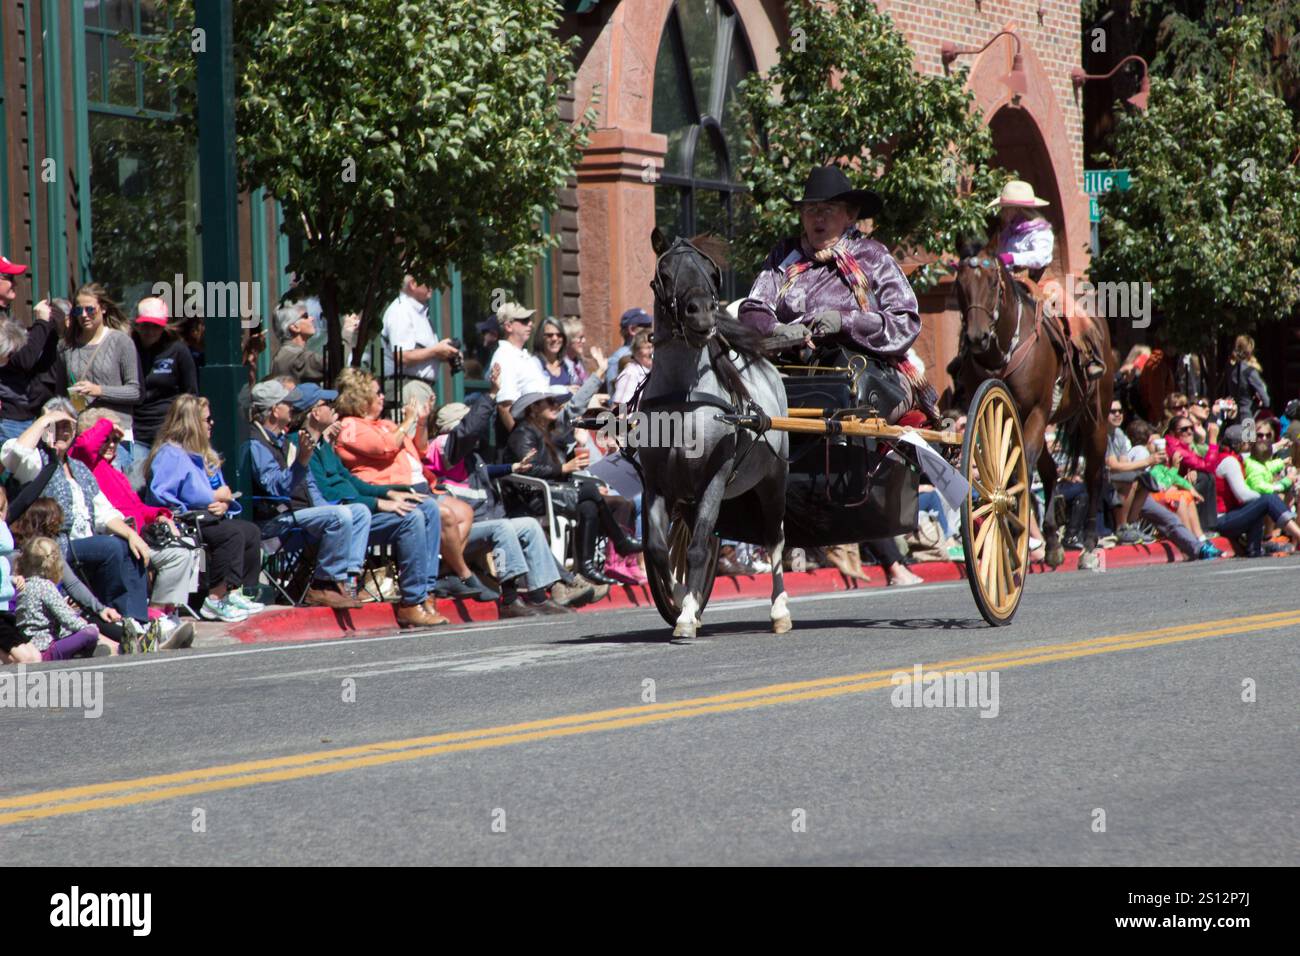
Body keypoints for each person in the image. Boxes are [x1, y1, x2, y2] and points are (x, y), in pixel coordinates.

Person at [739, 165, 936, 424]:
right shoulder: (784, 256)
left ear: (850, 214)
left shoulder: (873, 256)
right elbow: (752, 308)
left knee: (848, 393)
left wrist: (845, 322)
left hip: (863, 372)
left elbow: (906, 321)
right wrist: (777, 330)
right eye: (811, 210)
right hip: (788, 370)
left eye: (827, 209)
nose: (817, 218)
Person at [428, 369, 594, 616]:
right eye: (468, 422)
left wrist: (512, 467)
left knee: (528, 525)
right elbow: (469, 431)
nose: (478, 430)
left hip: (480, 523)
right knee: (503, 528)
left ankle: (539, 595)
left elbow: (484, 470)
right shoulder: (442, 447)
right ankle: (510, 597)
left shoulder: (469, 456)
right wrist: (492, 394)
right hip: (456, 532)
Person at [332, 368, 496, 602]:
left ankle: (443, 574)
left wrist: (420, 422)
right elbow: (384, 448)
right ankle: (458, 575)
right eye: (377, 393)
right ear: (360, 398)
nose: (382, 397)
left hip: (421, 487)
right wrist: (408, 419)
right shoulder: (350, 426)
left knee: (465, 512)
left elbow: (420, 450)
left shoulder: (386, 424)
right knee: (447, 516)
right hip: (390, 492)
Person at [294, 384, 450, 628]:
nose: (334, 409)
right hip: (346, 519)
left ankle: (426, 594)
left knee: (427, 507)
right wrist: (380, 503)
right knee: (411, 519)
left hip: (360, 511)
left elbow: (351, 482)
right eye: (327, 405)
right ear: (314, 413)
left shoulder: (324, 446)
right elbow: (329, 496)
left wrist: (392, 491)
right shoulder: (303, 447)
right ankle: (412, 602)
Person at [1, 398, 156, 631]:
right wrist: (45, 419)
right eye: (56, 425)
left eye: (68, 426)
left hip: (85, 543)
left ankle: (135, 621)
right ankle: (126, 619)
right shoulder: (35, 461)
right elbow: (13, 457)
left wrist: (132, 535)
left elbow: (104, 512)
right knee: (113, 547)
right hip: (52, 546)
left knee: (127, 544)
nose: (62, 431)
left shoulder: (79, 468)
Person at [71, 409, 200, 647]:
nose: (112, 444)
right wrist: (107, 424)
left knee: (187, 548)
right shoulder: (84, 461)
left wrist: (162, 516)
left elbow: (138, 508)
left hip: (139, 535)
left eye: (116, 440)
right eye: (107, 438)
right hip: (114, 536)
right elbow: (85, 446)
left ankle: (162, 611)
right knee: (145, 551)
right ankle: (153, 619)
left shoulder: (114, 471)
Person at [244, 379, 371, 611]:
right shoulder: (257, 444)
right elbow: (275, 488)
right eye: (287, 404)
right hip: (273, 521)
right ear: (274, 410)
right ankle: (323, 584)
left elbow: (310, 487)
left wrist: (323, 509)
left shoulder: (284, 442)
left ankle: (347, 581)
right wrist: (302, 461)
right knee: (339, 516)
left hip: (299, 513)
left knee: (359, 512)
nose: (292, 408)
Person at [146, 395, 270, 622]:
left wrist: (223, 503)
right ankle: (215, 599)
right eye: (207, 419)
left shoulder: (203, 453)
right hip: (183, 520)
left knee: (250, 531)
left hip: (208, 516)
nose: (212, 423)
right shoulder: (170, 453)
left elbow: (222, 491)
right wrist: (211, 497)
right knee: (229, 534)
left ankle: (235, 592)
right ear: (191, 422)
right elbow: (159, 494)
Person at [505, 391, 642, 586]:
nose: (556, 406)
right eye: (550, 402)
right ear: (533, 408)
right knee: (593, 493)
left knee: (590, 504)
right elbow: (526, 469)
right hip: (535, 497)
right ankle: (621, 542)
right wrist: (563, 468)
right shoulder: (523, 433)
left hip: (555, 491)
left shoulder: (547, 433)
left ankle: (586, 568)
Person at [991, 179, 1107, 382]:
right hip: (1010, 283)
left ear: (1018, 209)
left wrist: (1012, 258)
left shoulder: (1040, 230)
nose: (1003, 213)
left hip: (1038, 282)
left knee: (1070, 306)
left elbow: (1041, 257)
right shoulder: (1007, 233)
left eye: (1006, 208)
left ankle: (1089, 353)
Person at [60, 283, 143, 472]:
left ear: (103, 308)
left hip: (116, 434)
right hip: (81, 435)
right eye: (78, 310)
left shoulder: (121, 342)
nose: (83, 315)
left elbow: (135, 391)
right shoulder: (65, 347)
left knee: (117, 496)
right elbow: (60, 394)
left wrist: (98, 390)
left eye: (90, 309)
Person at [15, 536, 118, 659]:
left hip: (30, 648)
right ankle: (104, 648)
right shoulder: (45, 586)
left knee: (78, 631)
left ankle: (91, 650)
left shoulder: (24, 584)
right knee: (90, 633)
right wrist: (92, 629)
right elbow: (67, 619)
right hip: (47, 648)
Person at [1212, 424, 1300, 556]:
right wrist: (1275, 490)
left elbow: (1258, 453)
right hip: (1223, 519)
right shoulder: (1229, 462)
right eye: (1247, 441)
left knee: (1260, 503)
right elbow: (1243, 495)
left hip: (1232, 515)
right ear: (1239, 443)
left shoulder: (1235, 457)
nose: (1251, 443)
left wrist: (1279, 445)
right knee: (1265, 499)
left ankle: (1255, 549)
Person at [131, 296, 199, 466]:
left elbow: (190, 393)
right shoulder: (129, 347)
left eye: (156, 326)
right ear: (137, 325)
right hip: (137, 432)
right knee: (138, 483)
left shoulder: (178, 350)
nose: (150, 331)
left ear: (164, 326)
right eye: (145, 325)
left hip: (168, 432)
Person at [380, 275, 462, 408]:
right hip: (406, 388)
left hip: (420, 389)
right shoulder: (401, 310)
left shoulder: (420, 312)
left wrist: (446, 353)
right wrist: (436, 350)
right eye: (428, 281)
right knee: (414, 429)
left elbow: (425, 354)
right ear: (413, 284)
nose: (433, 286)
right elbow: (402, 356)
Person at [0, 290, 65, 444]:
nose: (15, 285)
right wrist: (42, 322)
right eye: (9, 278)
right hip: (11, 421)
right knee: (15, 465)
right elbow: (24, 359)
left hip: (29, 416)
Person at [488, 302, 553, 433]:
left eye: (529, 320)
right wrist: (520, 440)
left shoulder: (523, 355)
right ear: (508, 326)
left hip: (537, 433)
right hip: (521, 439)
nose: (530, 324)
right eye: (524, 320)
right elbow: (504, 406)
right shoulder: (504, 356)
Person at [270, 300, 359, 384]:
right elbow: (335, 365)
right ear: (294, 327)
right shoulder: (296, 357)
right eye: (305, 316)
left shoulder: (285, 354)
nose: (311, 318)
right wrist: (348, 331)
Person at [1220, 335, 1269, 424]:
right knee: (1248, 438)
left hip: (1234, 414)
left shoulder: (1230, 368)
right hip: (1248, 415)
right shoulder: (1249, 371)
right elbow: (1266, 400)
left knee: (1237, 437)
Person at [605, 308, 653, 393]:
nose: (651, 330)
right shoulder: (624, 366)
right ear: (632, 329)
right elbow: (618, 400)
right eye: (646, 326)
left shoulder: (650, 355)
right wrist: (625, 407)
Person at [533, 317, 580, 391]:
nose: (555, 339)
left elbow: (577, 391)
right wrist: (565, 389)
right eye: (549, 335)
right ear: (540, 338)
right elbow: (537, 392)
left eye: (559, 335)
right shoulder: (534, 364)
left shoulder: (567, 366)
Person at [610, 331, 653, 409]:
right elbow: (619, 411)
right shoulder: (631, 374)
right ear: (636, 351)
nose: (652, 351)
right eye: (648, 347)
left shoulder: (651, 372)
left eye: (654, 347)